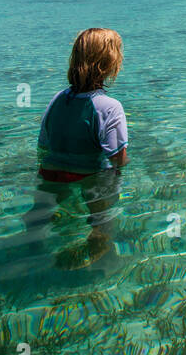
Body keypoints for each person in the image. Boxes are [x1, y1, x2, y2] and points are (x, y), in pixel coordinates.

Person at [28, 27, 128, 267]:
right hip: (88, 177)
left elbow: (43, 144)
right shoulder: (110, 107)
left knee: (45, 216)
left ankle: (36, 248)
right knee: (102, 220)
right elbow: (118, 158)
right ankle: (94, 255)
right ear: (110, 65)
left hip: (50, 172)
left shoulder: (57, 99)